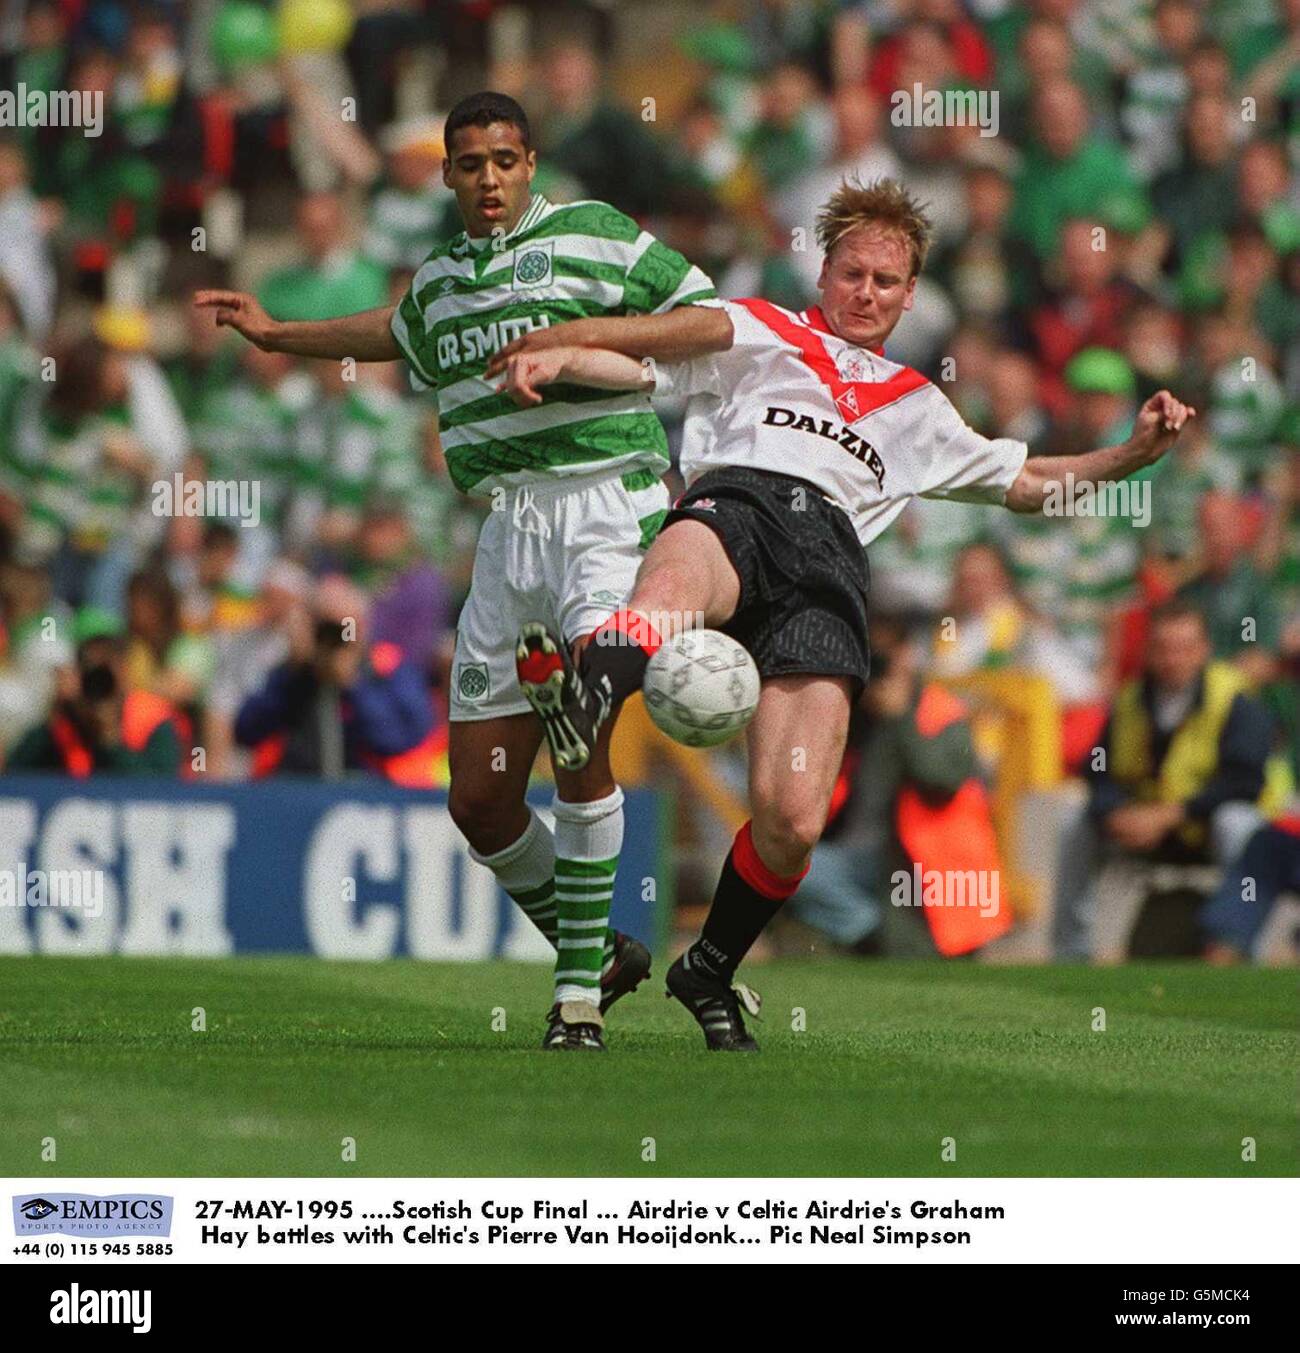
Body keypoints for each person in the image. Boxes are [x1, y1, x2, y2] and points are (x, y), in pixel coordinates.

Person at [495, 176, 1195, 1049]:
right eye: (853, 273)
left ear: (909, 296)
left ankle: (707, 966)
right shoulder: (760, 329)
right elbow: (645, 349)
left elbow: (1026, 484)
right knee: (677, 573)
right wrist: (560, 347)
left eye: (887, 282)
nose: (867, 293)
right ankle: (590, 696)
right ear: (823, 272)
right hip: (738, 507)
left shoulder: (918, 405)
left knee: (792, 822)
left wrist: (1134, 453)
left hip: (826, 572)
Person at [196, 91, 729, 1050]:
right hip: (506, 528)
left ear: (531, 166)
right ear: (447, 174)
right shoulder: (441, 281)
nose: (489, 179)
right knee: (479, 797)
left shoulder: (594, 236)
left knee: (578, 734)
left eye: (506, 160)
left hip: (606, 504)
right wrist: (277, 334)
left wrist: (584, 343)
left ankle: (575, 1006)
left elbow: (706, 320)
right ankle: (596, 950)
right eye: (471, 163)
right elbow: (391, 331)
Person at [1051, 600, 1287, 959]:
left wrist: (1171, 814)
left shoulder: (1234, 697)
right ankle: (1070, 954)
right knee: (1074, 823)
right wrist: (1115, 812)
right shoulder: (1131, 699)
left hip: (1206, 825)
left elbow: (1245, 781)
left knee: (1238, 825)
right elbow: (1097, 770)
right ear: (1148, 651)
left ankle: (1239, 950)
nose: (1172, 659)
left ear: (1204, 650)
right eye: (1163, 648)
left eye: (1184, 648)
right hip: (1143, 828)